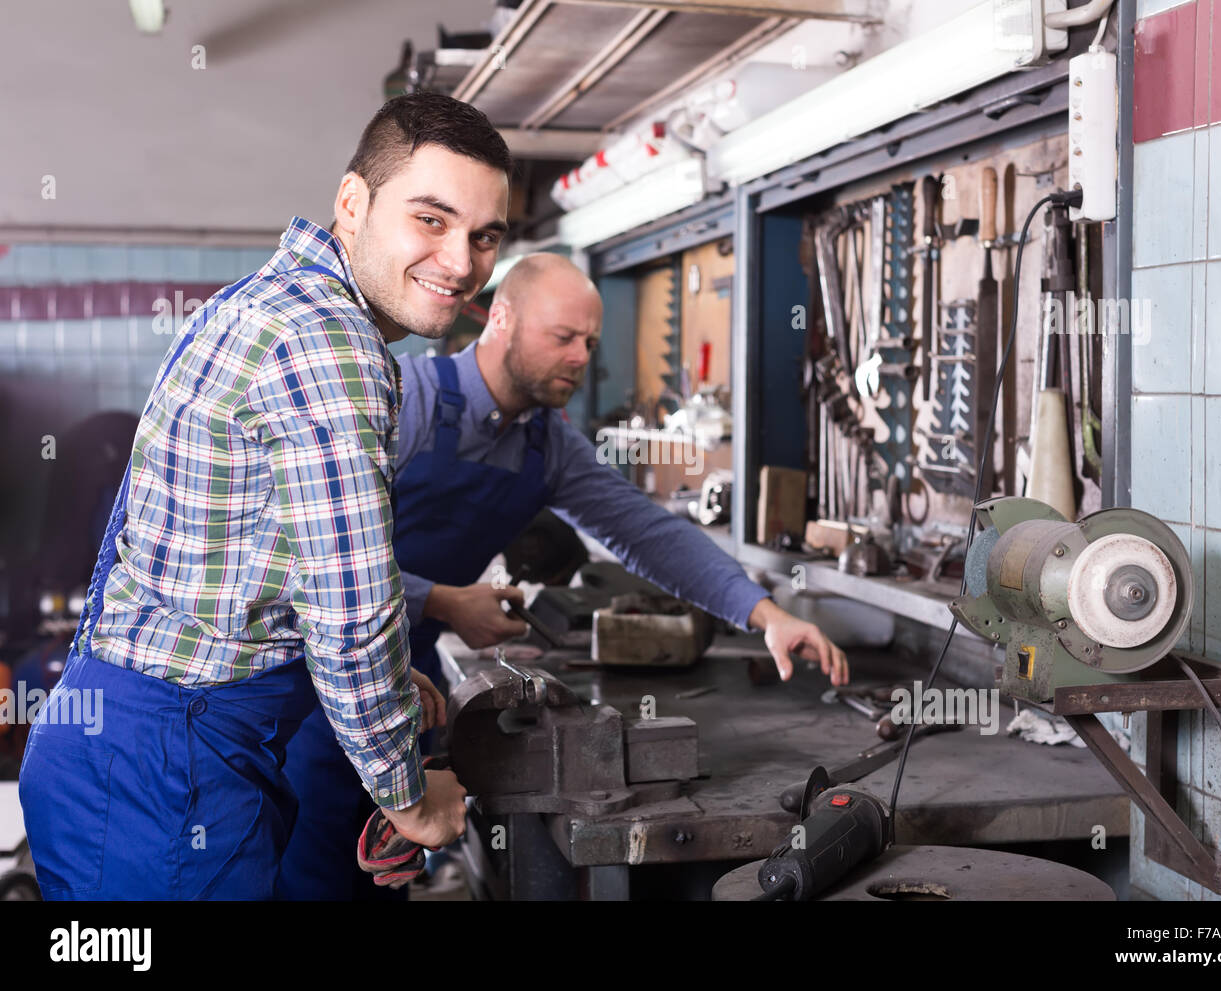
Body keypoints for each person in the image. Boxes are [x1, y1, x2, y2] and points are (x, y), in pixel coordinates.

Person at [18, 93, 509, 899]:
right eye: (431, 219)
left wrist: (383, 688)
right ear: (353, 203)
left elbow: (268, 569)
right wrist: (411, 798)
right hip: (169, 771)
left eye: (484, 235)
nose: (460, 260)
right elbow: (352, 614)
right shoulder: (330, 346)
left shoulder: (268, 302)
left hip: (124, 752)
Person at [274, 253, 850, 900]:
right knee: (310, 875)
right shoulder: (403, 399)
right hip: (309, 687)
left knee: (386, 879)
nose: (581, 356)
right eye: (563, 337)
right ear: (502, 319)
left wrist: (762, 611)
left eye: (591, 342)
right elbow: (296, 556)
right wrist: (442, 600)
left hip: (411, 682)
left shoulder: (547, 446)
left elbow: (647, 534)